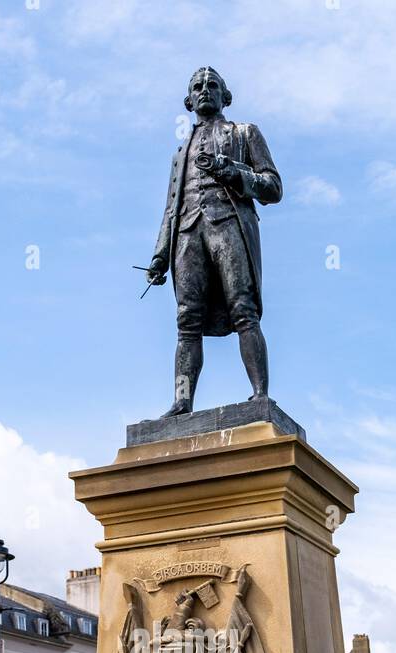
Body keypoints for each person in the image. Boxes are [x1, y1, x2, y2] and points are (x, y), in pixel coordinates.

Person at [147, 66, 282, 415]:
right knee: (186, 319)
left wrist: (234, 172)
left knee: (244, 310)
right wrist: (161, 255)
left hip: (229, 227)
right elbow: (170, 206)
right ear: (189, 100)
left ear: (226, 96)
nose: (204, 89)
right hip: (188, 235)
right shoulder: (180, 154)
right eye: (197, 86)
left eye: (212, 85)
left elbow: (273, 187)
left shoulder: (245, 133)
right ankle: (181, 402)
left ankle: (260, 395)